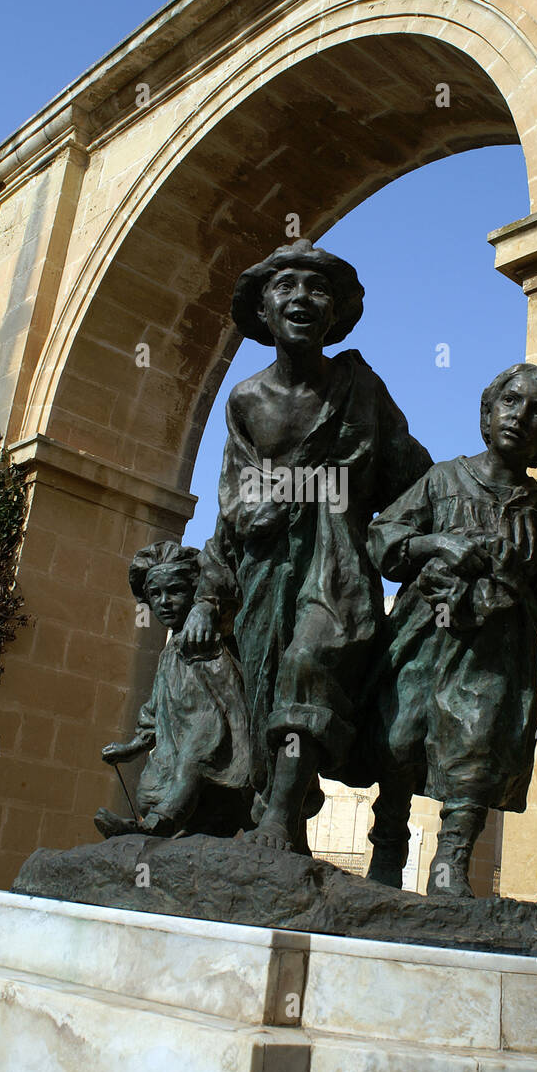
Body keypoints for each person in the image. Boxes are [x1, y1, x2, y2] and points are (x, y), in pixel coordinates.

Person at [182, 239, 432, 850]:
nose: (301, 298)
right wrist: (208, 599)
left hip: (339, 565)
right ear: (262, 309)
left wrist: (424, 540)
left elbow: (415, 478)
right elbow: (230, 503)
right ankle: (276, 820)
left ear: (336, 311)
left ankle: (276, 822)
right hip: (267, 569)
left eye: (317, 289)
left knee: (309, 663)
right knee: (263, 684)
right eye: (285, 286)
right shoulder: (245, 401)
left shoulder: (361, 389)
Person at [364, 362, 537, 896]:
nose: (521, 417)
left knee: (477, 745)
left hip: (498, 650)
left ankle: (451, 863)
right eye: (510, 401)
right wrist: (437, 544)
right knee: (399, 739)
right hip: (422, 637)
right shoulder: (442, 479)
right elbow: (385, 539)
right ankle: (387, 852)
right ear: (488, 410)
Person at [95, 542, 253, 840]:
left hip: (212, 731)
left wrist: (209, 611)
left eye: (176, 591)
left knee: (190, 766)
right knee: (154, 783)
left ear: (195, 592)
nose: (164, 602)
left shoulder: (205, 636)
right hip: (176, 739)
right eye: (156, 594)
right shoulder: (168, 652)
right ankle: (175, 828)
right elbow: (154, 710)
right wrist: (132, 747)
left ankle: (155, 825)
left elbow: (230, 692)